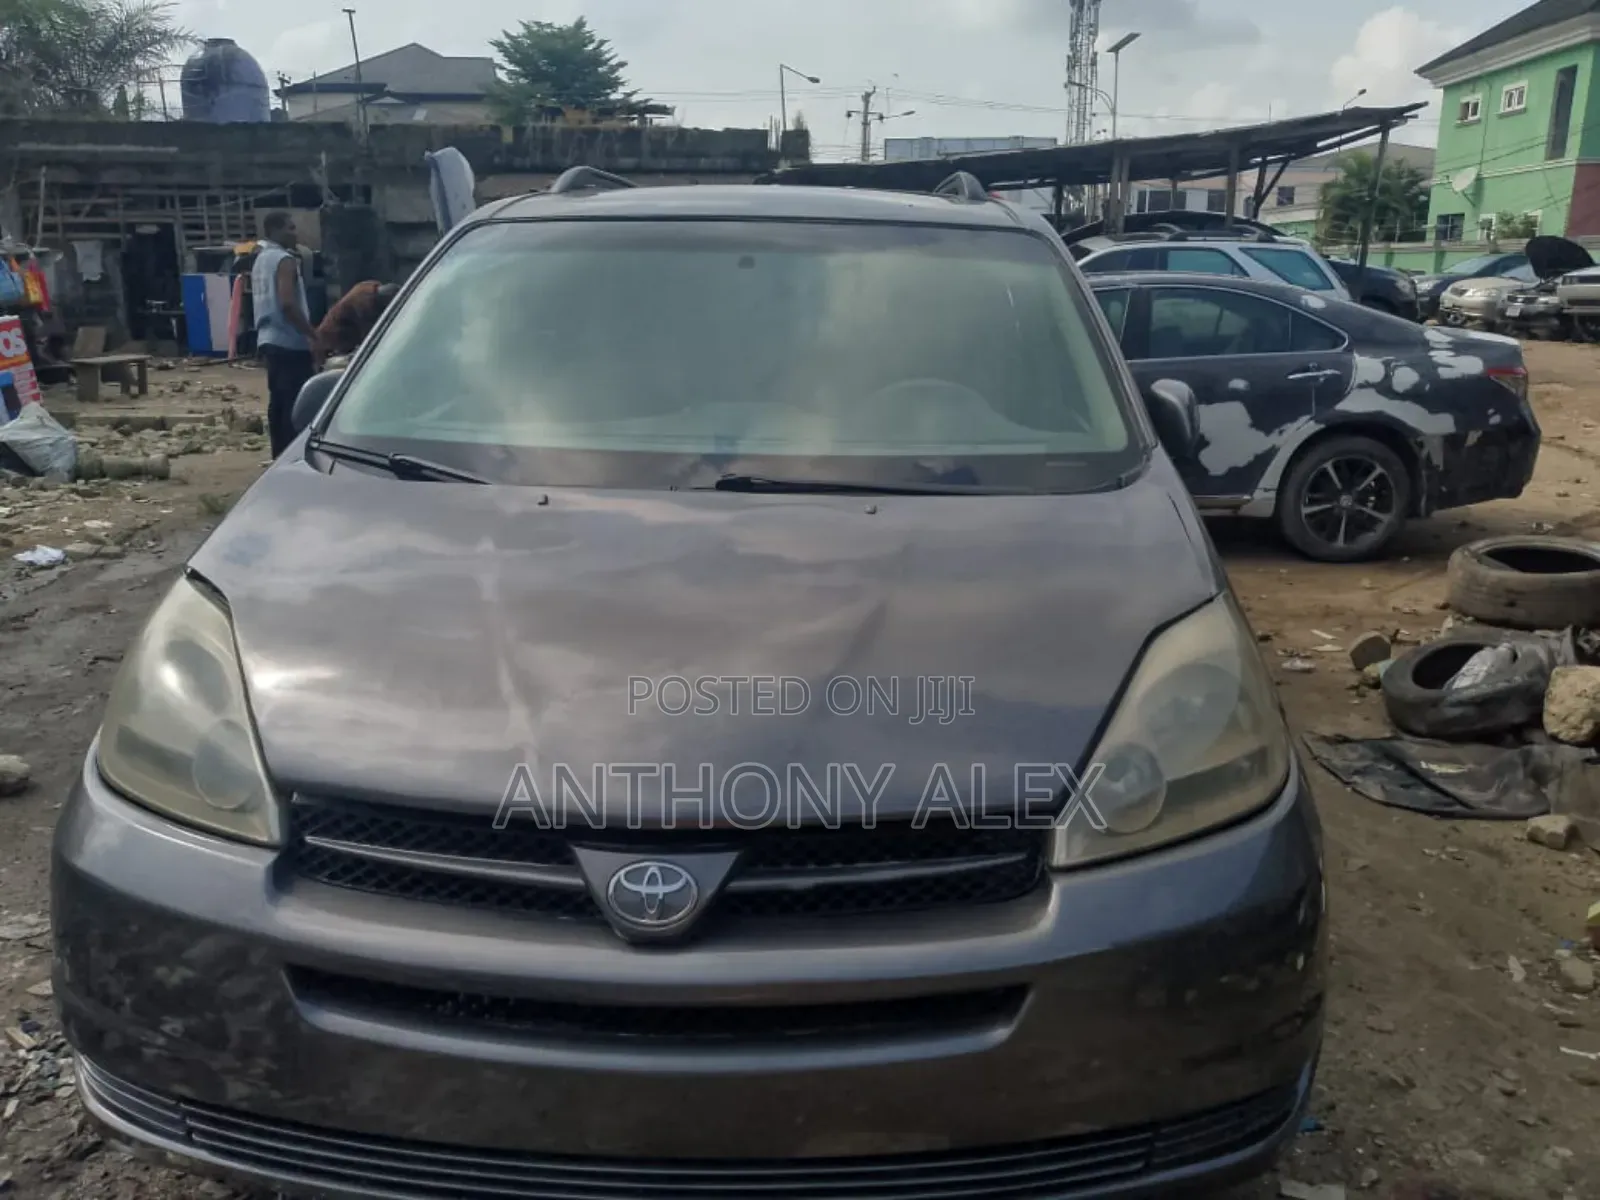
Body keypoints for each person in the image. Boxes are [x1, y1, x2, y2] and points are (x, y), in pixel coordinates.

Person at [251, 211, 319, 457]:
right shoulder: (284, 260)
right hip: (290, 342)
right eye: (290, 228)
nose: (295, 233)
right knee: (296, 404)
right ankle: (294, 456)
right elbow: (288, 304)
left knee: (277, 403)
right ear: (276, 231)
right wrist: (312, 334)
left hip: (267, 340)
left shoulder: (260, 260)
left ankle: (278, 455)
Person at [315, 280, 399, 358]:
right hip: (336, 336)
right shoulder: (365, 304)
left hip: (346, 330)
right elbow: (371, 336)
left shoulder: (370, 286)